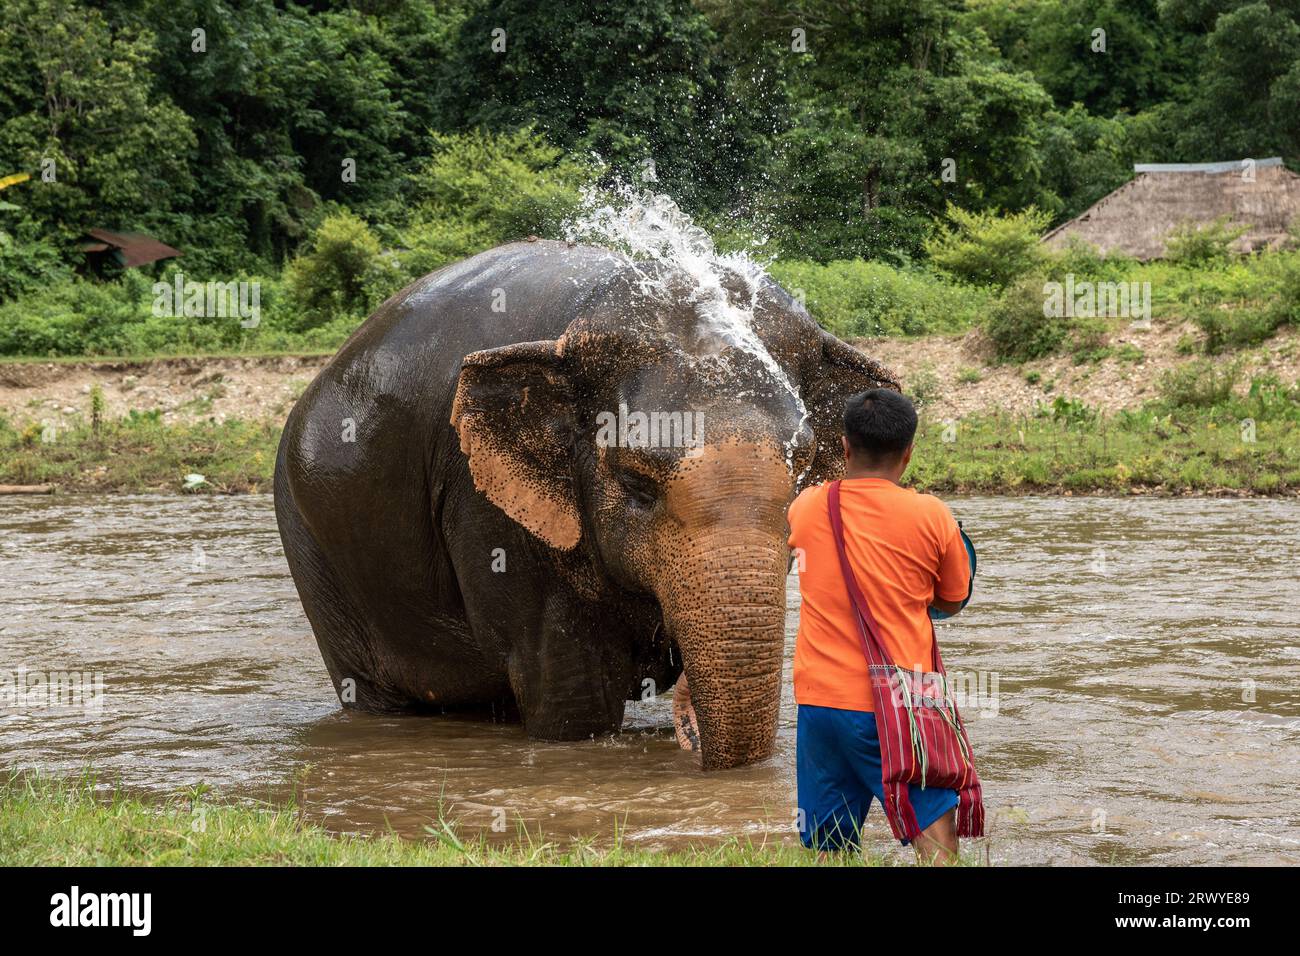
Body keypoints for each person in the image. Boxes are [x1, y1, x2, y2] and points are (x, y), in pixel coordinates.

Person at [787, 388, 971, 865]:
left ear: (845, 446)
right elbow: (952, 598)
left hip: (819, 703)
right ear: (908, 452)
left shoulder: (807, 506)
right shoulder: (931, 514)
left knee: (829, 847)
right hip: (901, 702)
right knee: (936, 835)